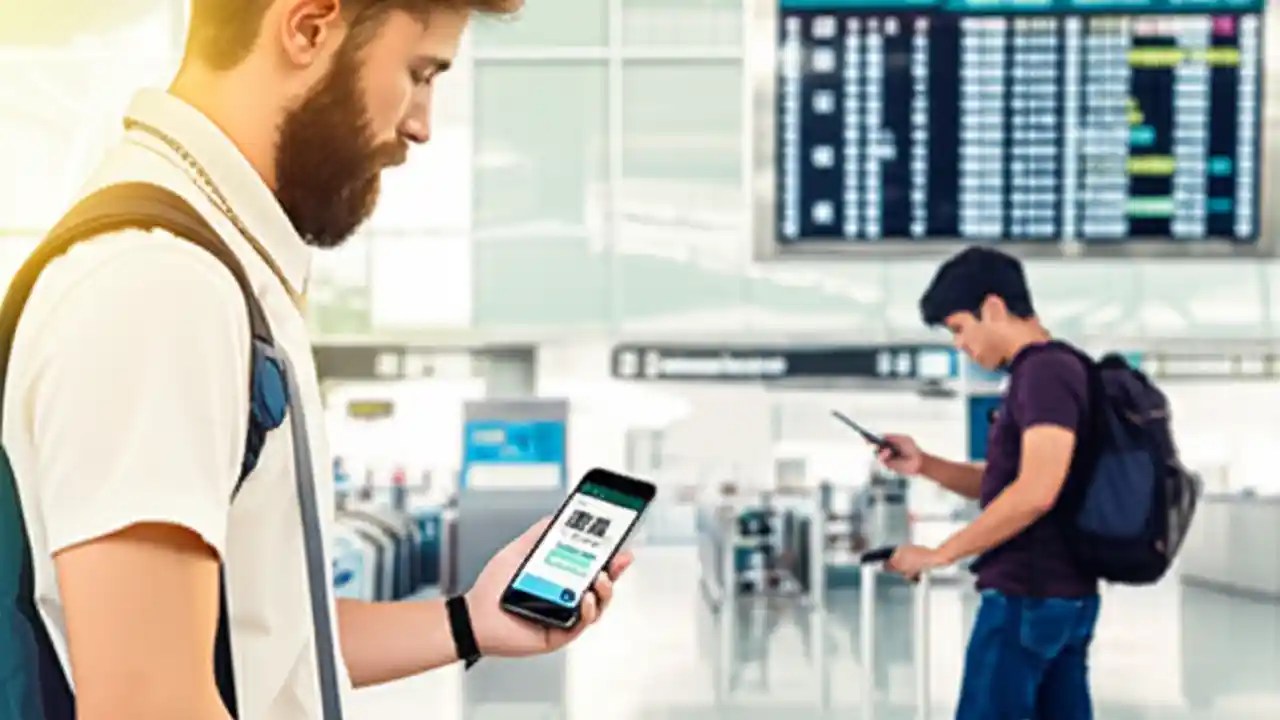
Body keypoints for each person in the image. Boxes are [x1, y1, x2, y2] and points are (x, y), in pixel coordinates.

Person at [2, 2, 632, 719]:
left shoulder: (208, 263)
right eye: (418, 73)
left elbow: (257, 637)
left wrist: (468, 622)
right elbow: (149, 702)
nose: (421, 124)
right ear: (308, 26)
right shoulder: (161, 283)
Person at [879, 246, 1100, 720]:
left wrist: (940, 554)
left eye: (960, 328)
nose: (959, 344)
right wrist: (924, 464)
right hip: (1061, 596)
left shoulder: (1044, 371)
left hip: (1027, 595)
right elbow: (1010, 485)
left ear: (994, 308)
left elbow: (1036, 492)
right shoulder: (1054, 371)